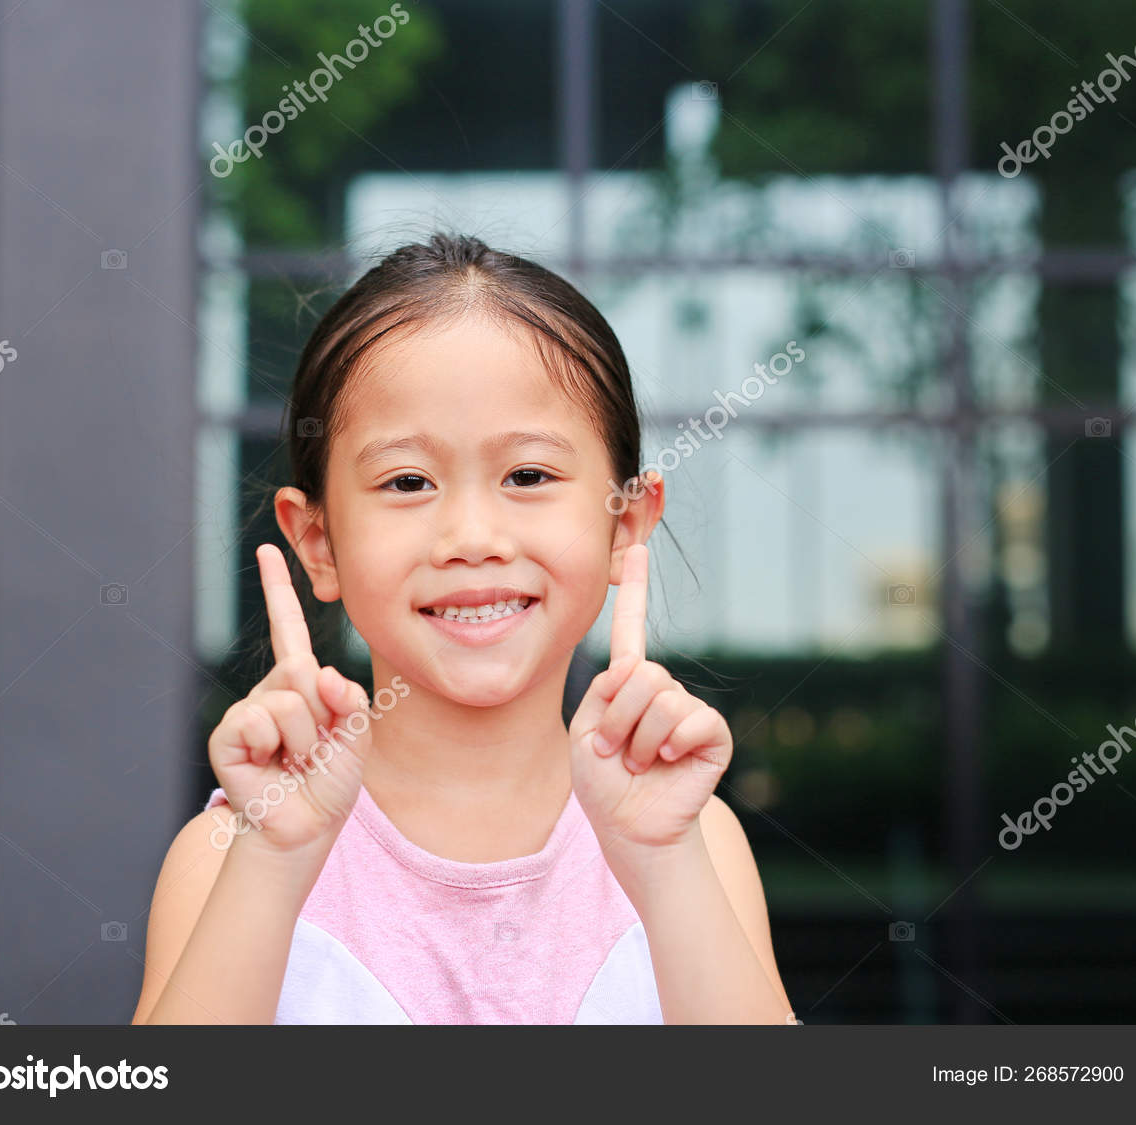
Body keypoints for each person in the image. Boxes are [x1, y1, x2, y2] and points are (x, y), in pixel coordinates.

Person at [131, 232, 794, 1025]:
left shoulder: (693, 838)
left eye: (528, 475)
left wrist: (663, 861)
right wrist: (274, 860)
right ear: (318, 542)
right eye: (408, 481)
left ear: (625, 522)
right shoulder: (230, 854)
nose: (473, 534)